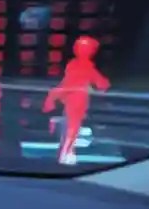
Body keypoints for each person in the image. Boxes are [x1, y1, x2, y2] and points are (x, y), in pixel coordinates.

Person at [42, 35, 110, 165]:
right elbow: (101, 84)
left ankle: (67, 153)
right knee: (72, 129)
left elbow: (100, 84)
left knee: (71, 128)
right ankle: (66, 155)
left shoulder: (77, 66)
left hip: (75, 101)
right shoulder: (81, 66)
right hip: (75, 102)